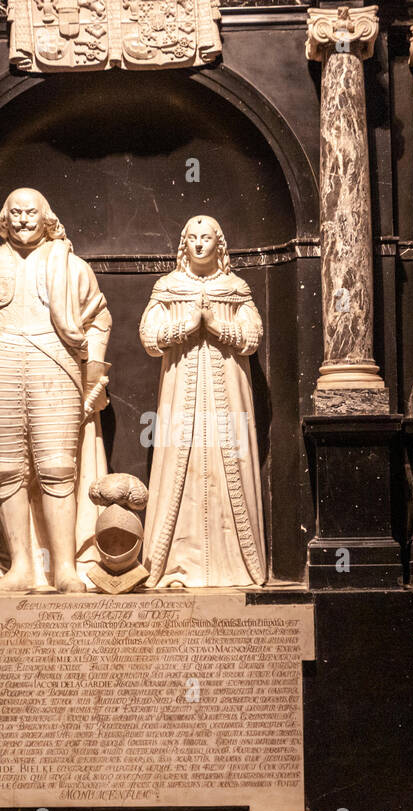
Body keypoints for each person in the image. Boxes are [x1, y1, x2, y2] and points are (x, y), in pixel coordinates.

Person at [0, 187, 111, 592]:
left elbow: (99, 318)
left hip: (54, 363)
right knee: (5, 467)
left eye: (31, 212)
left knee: (58, 468)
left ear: (46, 217)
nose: (23, 219)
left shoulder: (72, 267)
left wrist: (93, 371)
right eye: (16, 213)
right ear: (4, 218)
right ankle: (21, 566)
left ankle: (63, 567)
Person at [139, 215, 266, 588]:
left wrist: (215, 326)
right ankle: (177, 562)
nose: (198, 244)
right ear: (183, 244)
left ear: (218, 244)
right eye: (192, 238)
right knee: (183, 460)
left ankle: (235, 566)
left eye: (205, 238)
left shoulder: (235, 287)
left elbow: (253, 336)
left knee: (229, 464)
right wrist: (185, 326)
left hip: (229, 391)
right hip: (180, 395)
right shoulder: (168, 286)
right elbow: (148, 337)